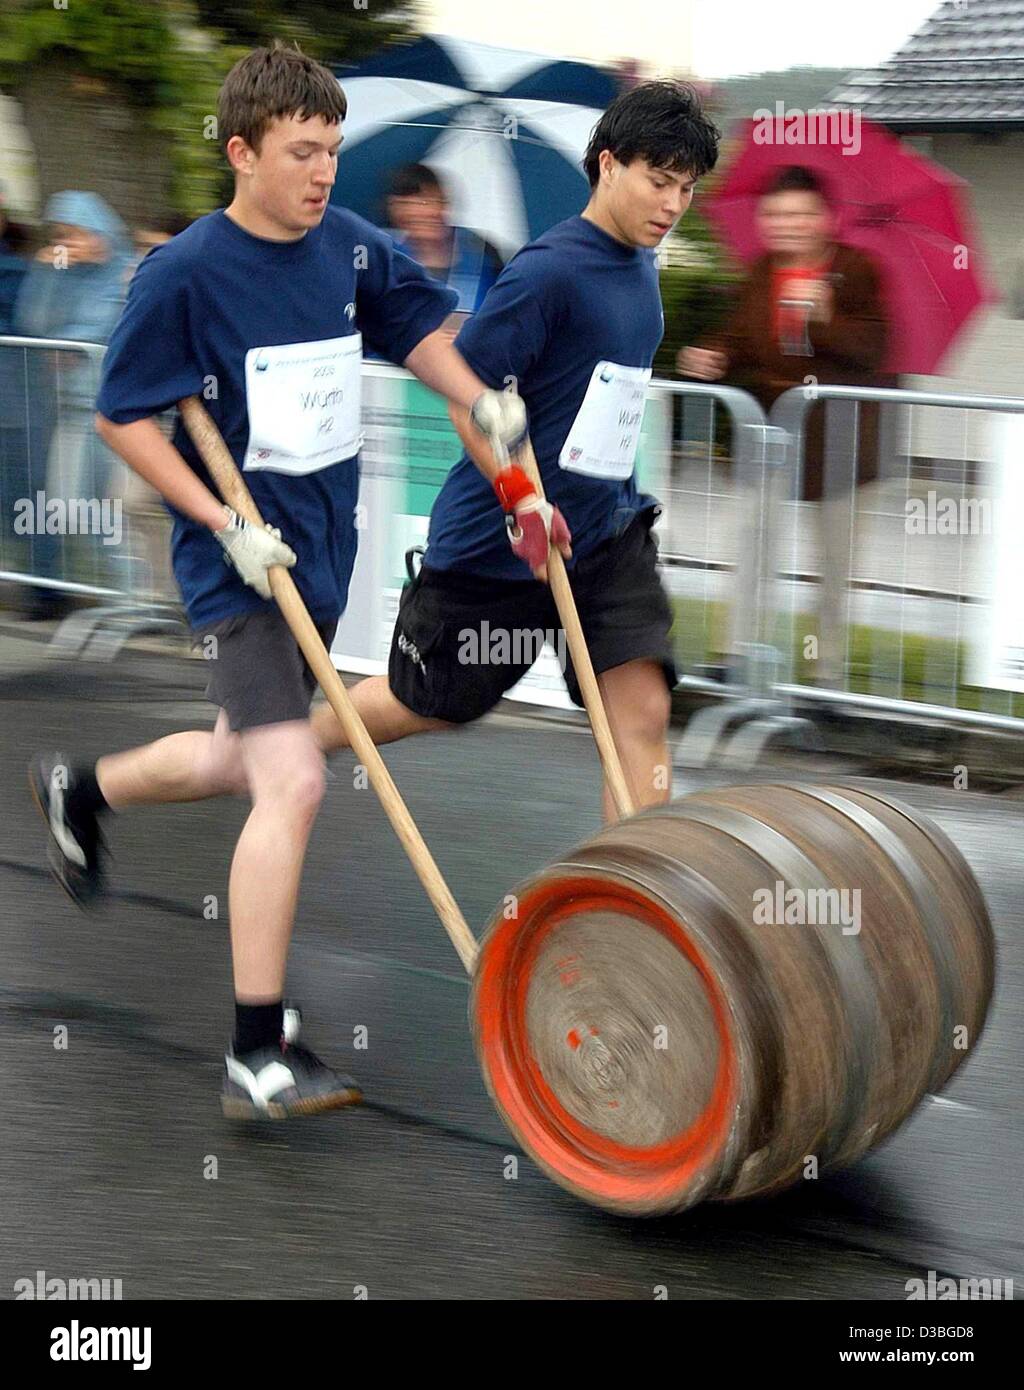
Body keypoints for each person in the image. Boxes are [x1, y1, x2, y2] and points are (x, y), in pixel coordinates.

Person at [30, 43, 526, 1120]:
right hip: (236, 563)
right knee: (293, 776)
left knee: (237, 756)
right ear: (241, 151)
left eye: (332, 151)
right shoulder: (185, 273)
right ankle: (257, 1049)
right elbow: (124, 417)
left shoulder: (349, 248)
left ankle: (85, 788)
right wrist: (221, 521)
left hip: (323, 551)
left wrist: (478, 400)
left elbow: (422, 332)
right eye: (302, 152)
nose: (321, 173)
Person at [312, 80, 721, 821]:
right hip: (497, 547)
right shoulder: (548, 272)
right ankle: (285, 750)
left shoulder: (642, 269)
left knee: (641, 713)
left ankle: (636, 905)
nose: (672, 205)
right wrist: (520, 498)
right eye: (658, 182)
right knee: (428, 704)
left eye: (686, 189)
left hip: (599, 535)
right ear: (607, 165)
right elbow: (467, 399)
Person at [678, 164, 892, 686]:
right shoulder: (762, 272)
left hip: (842, 445)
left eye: (799, 214)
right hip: (774, 438)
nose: (786, 224)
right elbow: (740, 339)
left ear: (827, 219)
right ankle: (736, 656)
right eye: (775, 215)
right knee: (751, 541)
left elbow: (876, 349)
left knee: (835, 566)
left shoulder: (858, 270)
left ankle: (827, 677)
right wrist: (712, 353)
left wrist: (824, 317)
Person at [13, 191, 133, 614]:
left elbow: (102, 327)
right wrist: (49, 271)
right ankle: (120, 595)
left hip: (113, 411)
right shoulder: (67, 273)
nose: (70, 241)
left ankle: (129, 597)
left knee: (100, 505)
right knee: (71, 505)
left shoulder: (125, 272)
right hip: (70, 408)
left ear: (101, 230)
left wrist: (69, 344)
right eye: (63, 234)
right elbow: (34, 320)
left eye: (77, 232)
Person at [386, 163, 504, 322]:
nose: (427, 212)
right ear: (394, 210)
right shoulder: (382, 262)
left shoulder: (482, 254)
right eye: (410, 203)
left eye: (433, 200)